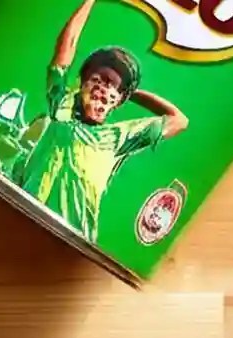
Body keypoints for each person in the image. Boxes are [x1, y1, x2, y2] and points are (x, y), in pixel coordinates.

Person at [17, 0, 189, 243]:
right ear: (81, 84)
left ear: (118, 101)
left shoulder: (119, 137)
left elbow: (179, 120)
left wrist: (132, 93)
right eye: (99, 79)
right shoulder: (61, 108)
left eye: (113, 88)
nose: (104, 89)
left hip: (73, 238)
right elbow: (67, 46)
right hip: (24, 218)